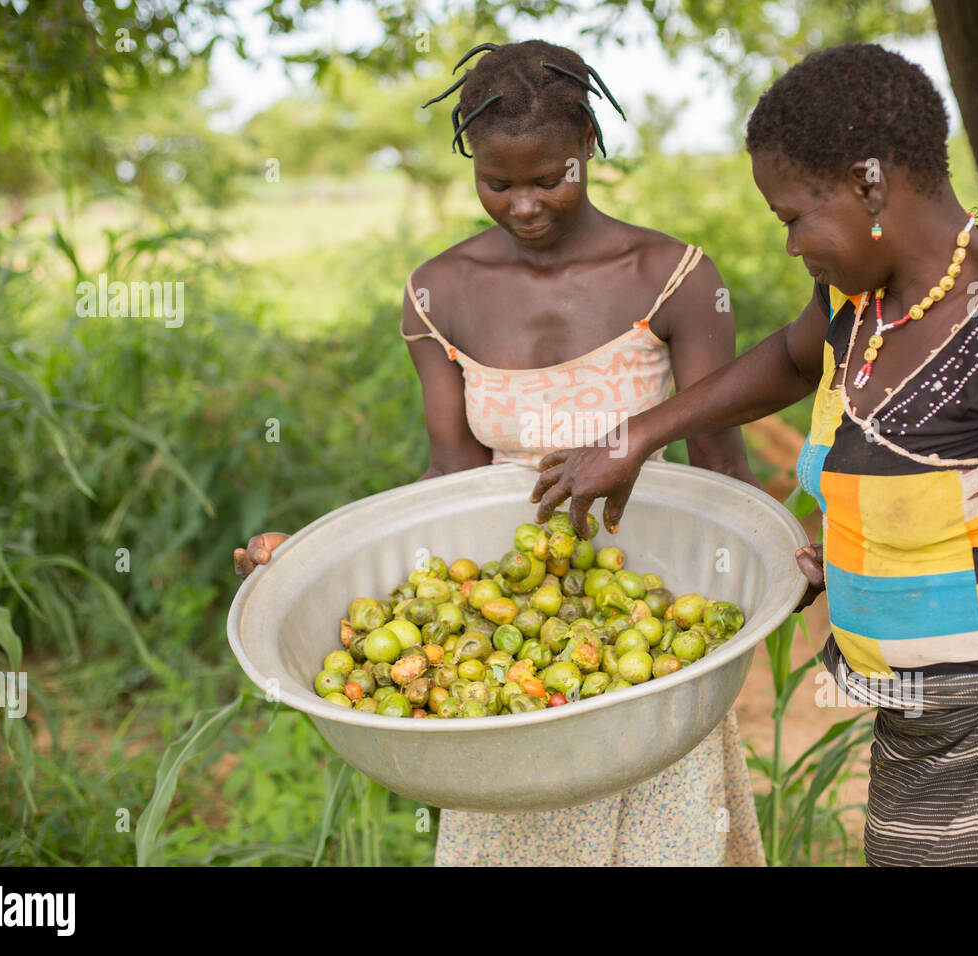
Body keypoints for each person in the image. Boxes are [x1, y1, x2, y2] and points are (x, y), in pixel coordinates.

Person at [530, 43, 978, 867]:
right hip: (911, 729)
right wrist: (636, 437)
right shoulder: (856, 303)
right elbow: (792, 363)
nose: (793, 244)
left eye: (796, 215)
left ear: (870, 184)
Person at [234, 39, 767, 867]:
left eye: (549, 177)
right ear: (471, 166)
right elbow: (451, 472)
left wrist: (768, 572)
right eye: (498, 183)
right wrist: (308, 556)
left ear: (587, 144)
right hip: (507, 635)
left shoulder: (675, 276)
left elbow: (721, 463)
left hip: (656, 628)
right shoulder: (437, 292)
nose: (525, 206)